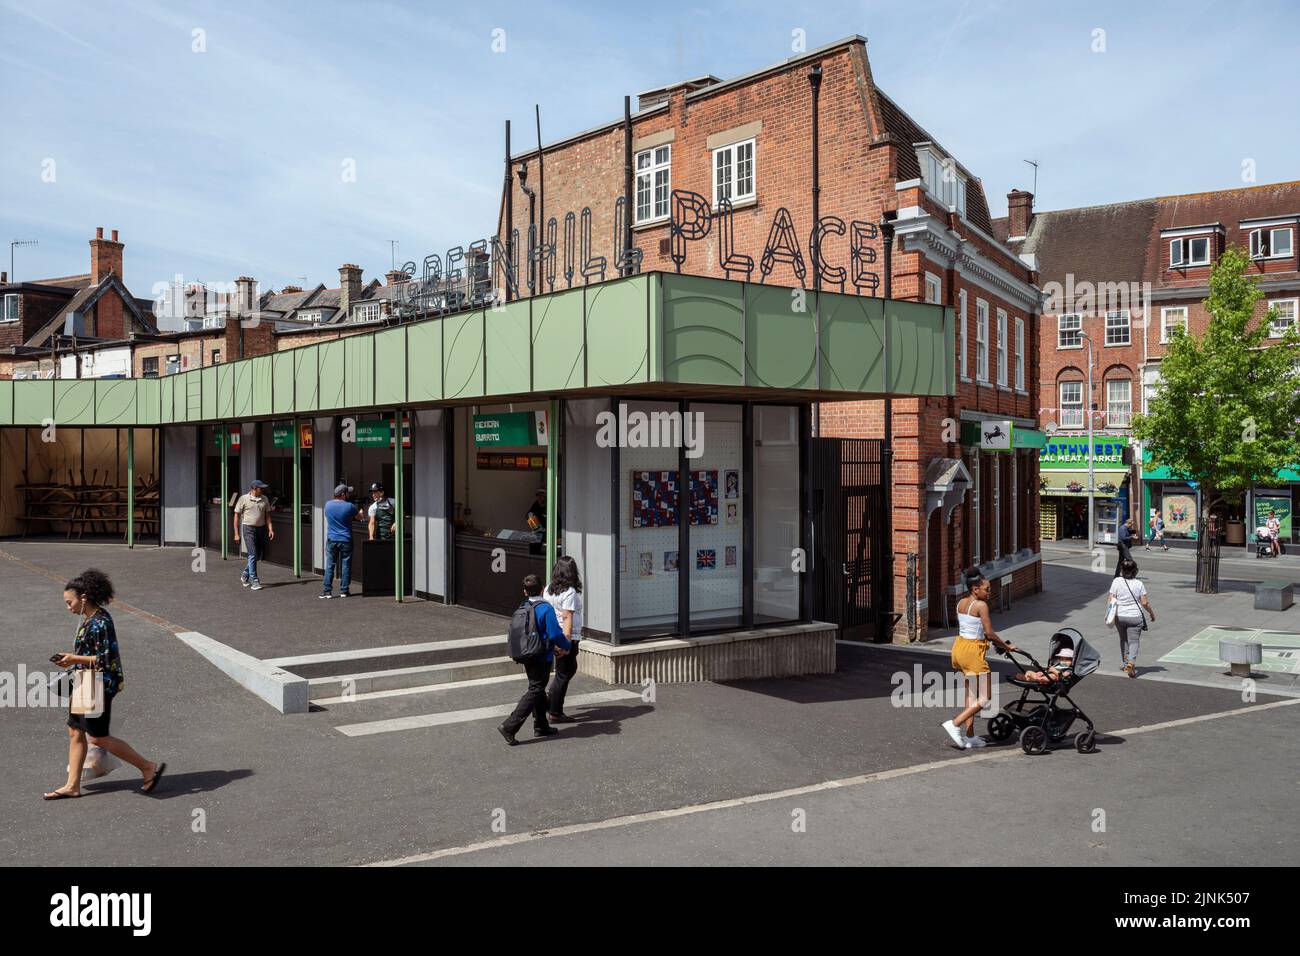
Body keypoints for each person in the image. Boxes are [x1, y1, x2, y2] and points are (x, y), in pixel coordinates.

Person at [44, 569, 165, 799]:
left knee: (98, 737)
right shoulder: (89, 619)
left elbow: (105, 660)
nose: (68, 607)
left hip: (98, 684)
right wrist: (72, 660)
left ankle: (147, 766)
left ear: (83, 597)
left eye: (69, 602)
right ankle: (72, 785)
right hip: (84, 682)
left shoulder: (101, 622)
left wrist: (73, 659)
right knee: (75, 731)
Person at [943, 570, 1016, 750]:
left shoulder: (961, 603)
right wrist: (1007, 647)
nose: (989, 592)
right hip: (973, 652)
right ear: (976, 589)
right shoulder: (981, 605)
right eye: (987, 589)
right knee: (985, 696)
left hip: (959, 648)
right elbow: (989, 632)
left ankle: (969, 737)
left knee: (971, 695)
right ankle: (954, 723)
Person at [497, 574, 570, 746]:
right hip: (541, 655)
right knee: (536, 689)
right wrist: (566, 645)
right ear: (542, 588)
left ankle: (541, 725)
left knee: (536, 687)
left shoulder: (523, 606)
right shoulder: (545, 608)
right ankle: (510, 726)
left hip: (526, 653)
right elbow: (555, 633)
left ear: (524, 591)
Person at [544, 556, 584, 723]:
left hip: (553, 633)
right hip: (568, 635)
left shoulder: (548, 589)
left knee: (567, 669)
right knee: (564, 672)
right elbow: (567, 616)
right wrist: (565, 643)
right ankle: (554, 710)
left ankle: (549, 700)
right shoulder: (569, 592)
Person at [1108, 558, 1155, 678]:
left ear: (1122, 570)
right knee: (1133, 641)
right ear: (1135, 571)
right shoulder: (1139, 584)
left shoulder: (1117, 581)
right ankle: (1131, 662)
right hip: (1135, 617)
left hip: (1120, 616)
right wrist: (1151, 613)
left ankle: (1126, 665)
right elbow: (1144, 603)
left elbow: (1111, 599)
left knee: (1123, 640)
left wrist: (1109, 614)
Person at [322, 484, 362, 599]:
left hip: (332, 539)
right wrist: (360, 512)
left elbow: (328, 516)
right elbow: (359, 517)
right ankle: (344, 591)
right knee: (346, 565)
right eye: (347, 493)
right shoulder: (350, 506)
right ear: (343, 494)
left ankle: (327, 591)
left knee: (330, 565)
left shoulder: (328, 505)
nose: (349, 494)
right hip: (346, 539)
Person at [233, 479, 274, 591]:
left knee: (257, 555)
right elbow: (236, 516)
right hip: (248, 528)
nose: (263, 489)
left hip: (261, 529)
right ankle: (254, 580)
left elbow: (268, 515)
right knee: (252, 554)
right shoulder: (243, 499)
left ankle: (245, 575)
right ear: (254, 489)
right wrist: (236, 534)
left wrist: (270, 529)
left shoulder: (264, 499)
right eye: (261, 488)